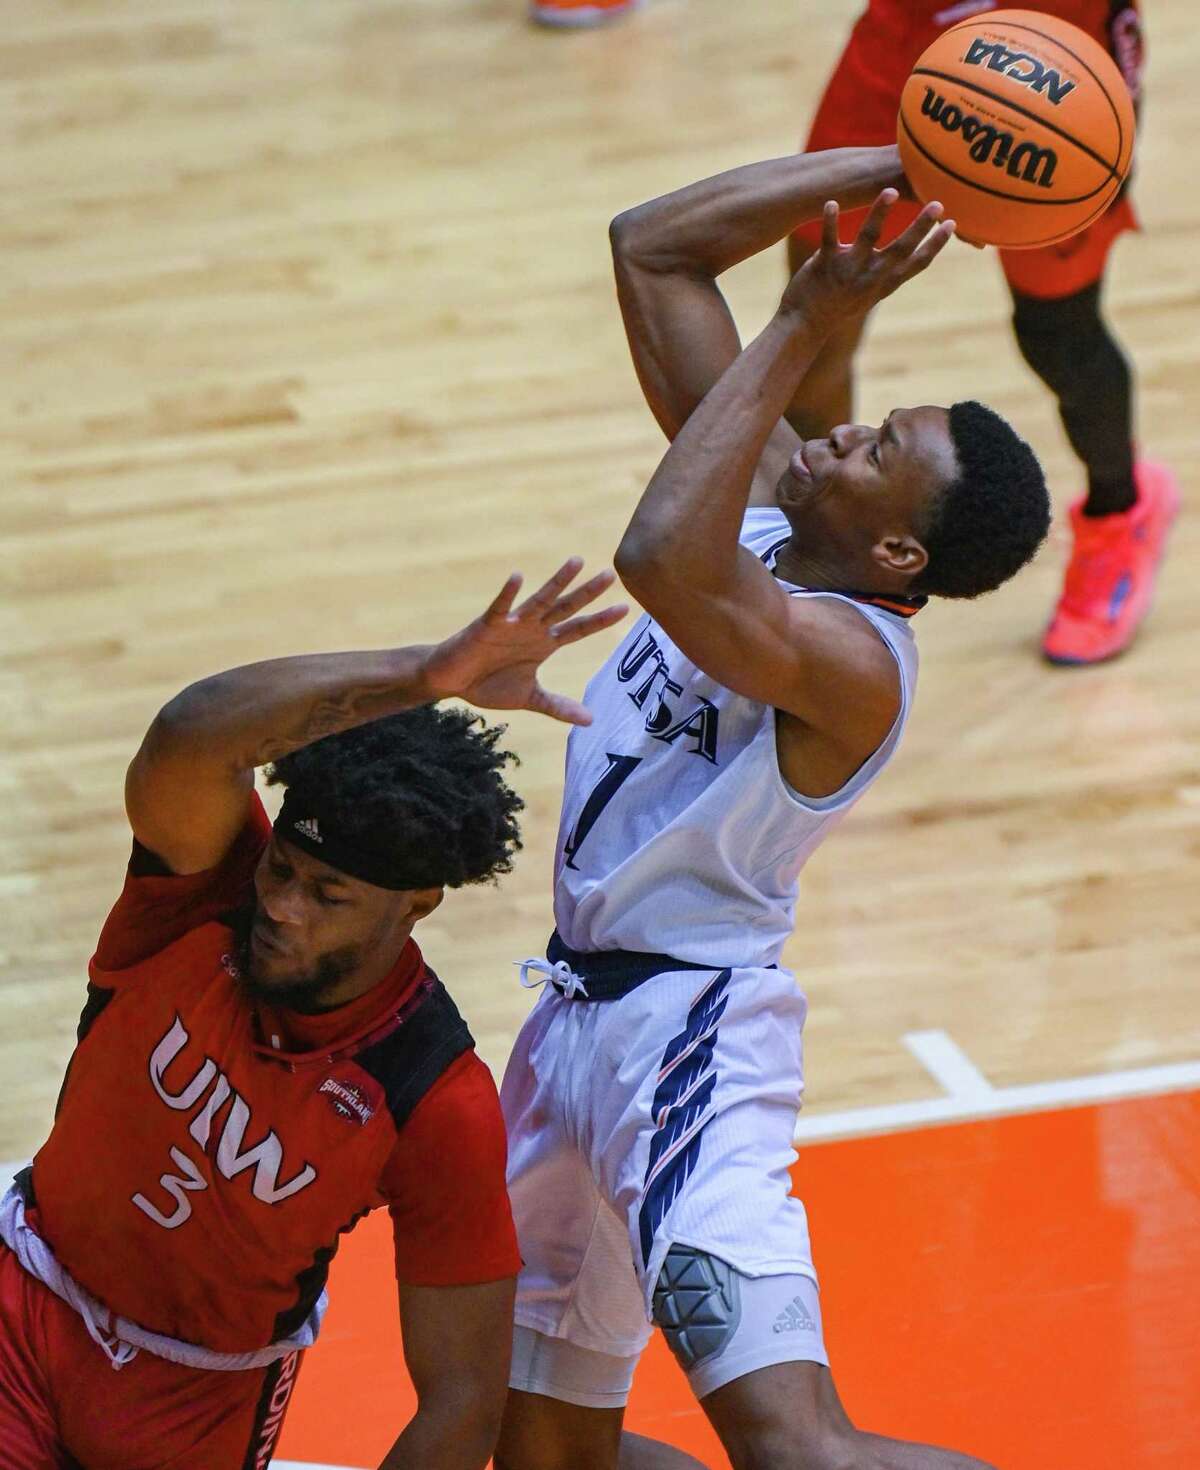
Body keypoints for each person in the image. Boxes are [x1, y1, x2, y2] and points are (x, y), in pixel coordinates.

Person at [492, 146, 1050, 1470]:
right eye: (863, 416)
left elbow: (652, 555)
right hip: (575, 1022)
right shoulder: (764, 517)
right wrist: (914, 155)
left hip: (690, 1042)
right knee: (536, 1450)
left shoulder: (850, 658)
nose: (842, 429)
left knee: (799, 1451)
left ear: (899, 551)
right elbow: (652, 248)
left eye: (877, 449)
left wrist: (808, 319)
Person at [0, 560, 625, 1470]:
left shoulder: (431, 1097)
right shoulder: (202, 896)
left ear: (418, 902)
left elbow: (461, 1398)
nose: (283, 907)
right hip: (24, 1305)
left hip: (190, 1403)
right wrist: (421, 677)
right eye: (284, 870)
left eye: (327, 895)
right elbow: (188, 735)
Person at [789, 0, 1177, 666]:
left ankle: (1121, 511)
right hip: (910, 32)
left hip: (1059, 36)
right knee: (821, 311)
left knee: (1057, 329)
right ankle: (826, 525)